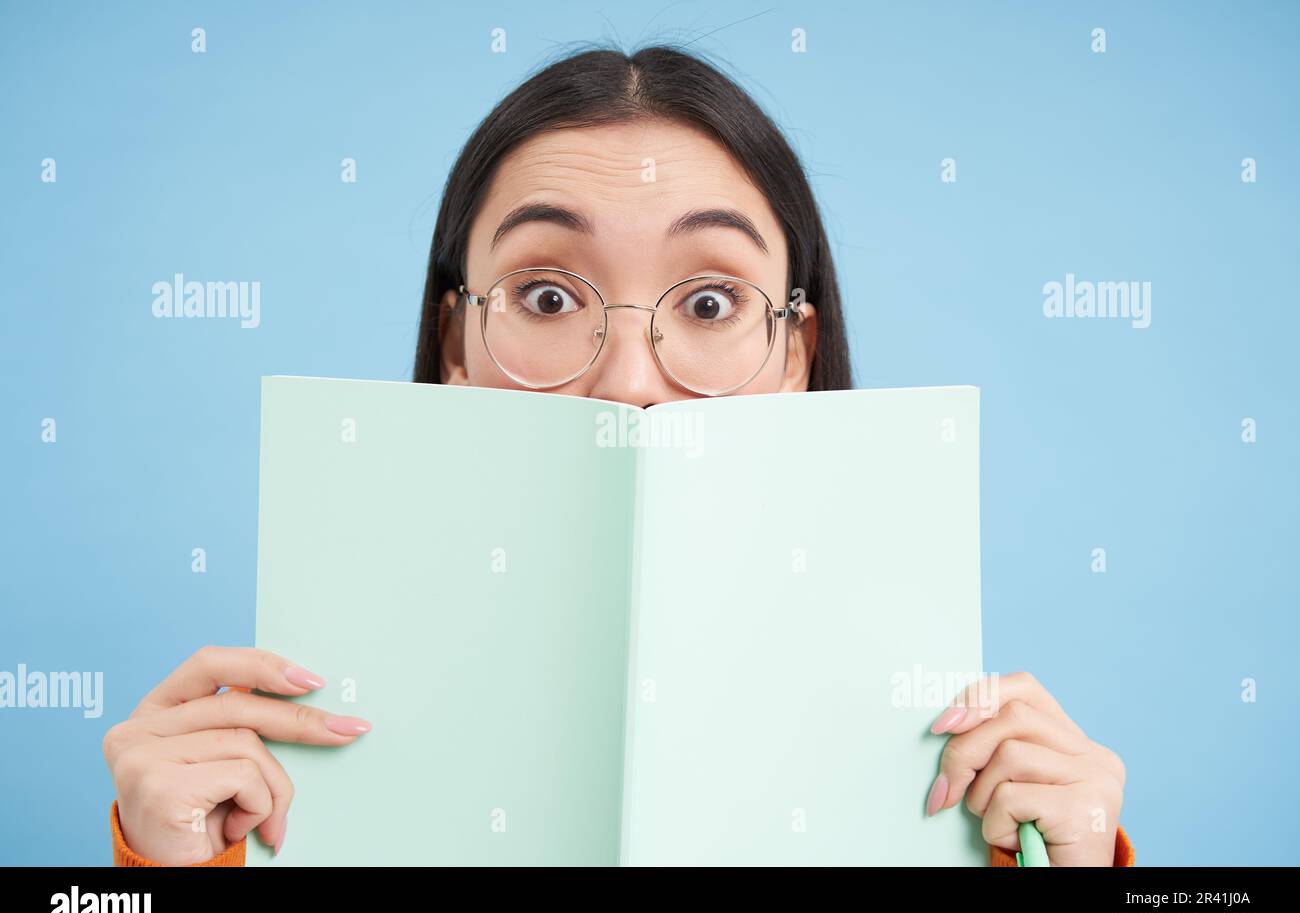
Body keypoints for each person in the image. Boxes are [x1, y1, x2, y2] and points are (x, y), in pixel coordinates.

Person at [103, 45, 1132, 867]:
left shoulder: (958, 789)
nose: (631, 379)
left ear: (794, 354)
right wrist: (162, 879)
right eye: (548, 297)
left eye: (711, 300)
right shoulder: (258, 796)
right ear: (455, 341)